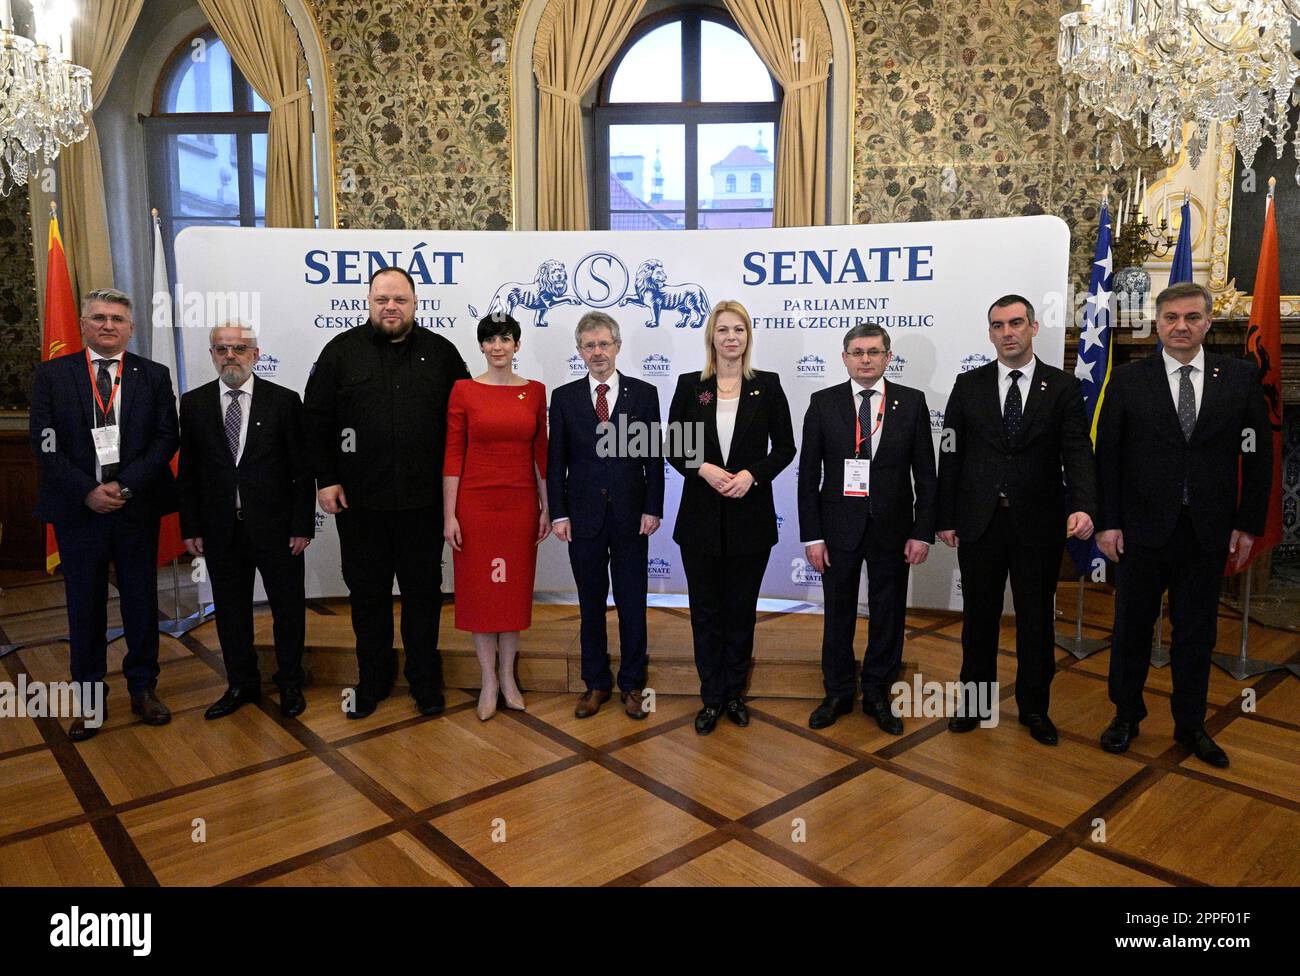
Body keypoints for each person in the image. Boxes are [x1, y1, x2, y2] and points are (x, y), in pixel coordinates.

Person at [1095, 282, 1271, 768]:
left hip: (1208, 532)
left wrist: (1248, 524)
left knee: (1197, 634)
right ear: (1158, 324)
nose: (1181, 326)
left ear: (1207, 323)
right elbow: (1106, 458)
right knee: (1131, 630)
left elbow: (1257, 457)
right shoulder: (1129, 380)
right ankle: (1126, 716)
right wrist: (1108, 523)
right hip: (1141, 532)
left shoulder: (1238, 378)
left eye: (1192, 317)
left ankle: (1190, 723)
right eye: (1171, 317)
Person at [304, 266, 470, 719]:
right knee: (367, 595)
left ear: (416, 303)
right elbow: (316, 422)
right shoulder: (340, 353)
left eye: (399, 299)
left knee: (423, 594)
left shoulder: (443, 354)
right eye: (382, 300)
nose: (390, 307)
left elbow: (463, 427)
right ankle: (372, 680)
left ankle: (424, 681)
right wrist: (327, 479)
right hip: (360, 505)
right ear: (369, 302)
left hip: (424, 504)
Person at [936, 294, 1096, 745]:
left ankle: (1034, 709)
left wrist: (1083, 504)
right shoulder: (969, 385)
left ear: (1032, 328)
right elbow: (951, 453)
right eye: (999, 325)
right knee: (979, 619)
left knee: (1035, 621)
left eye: (1016, 323)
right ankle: (976, 704)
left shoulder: (1061, 387)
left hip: (1039, 526)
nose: (1007, 332)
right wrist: (946, 516)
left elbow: (1077, 452)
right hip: (980, 524)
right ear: (990, 333)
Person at [29, 288, 178, 741]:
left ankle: (143, 688)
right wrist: (89, 491)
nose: (108, 325)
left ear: (130, 328)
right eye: (99, 318)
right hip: (80, 511)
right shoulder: (53, 374)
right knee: (85, 607)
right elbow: (45, 442)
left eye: (117, 318)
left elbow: (165, 438)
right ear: (83, 324)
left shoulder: (153, 375)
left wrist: (124, 485)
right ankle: (90, 702)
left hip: (135, 508)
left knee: (140, 602)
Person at [799, 324, 937, 734]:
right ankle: (838, 692)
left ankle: (878, 693)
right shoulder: (822, 403)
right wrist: (812, 535)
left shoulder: (911, 403)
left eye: (873, 352)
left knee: (889, 613)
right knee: (838, 613)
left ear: (887, 357)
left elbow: (926, 476)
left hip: (893, 530)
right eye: (856, 352)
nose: (865, 359)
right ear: (844, 358)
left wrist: (922, 531)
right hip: (837, 529)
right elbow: (808, 475)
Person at [667, 300, 795, 735]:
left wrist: (752, 475)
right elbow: (674, 447)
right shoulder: (690, 386)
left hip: (750, 519)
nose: (731, 338)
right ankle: (711, 698)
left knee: (741, 612)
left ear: (748, 336)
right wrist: (701, 467)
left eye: (739, 329)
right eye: (723, 330)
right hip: (700, 520)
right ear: (711, 337)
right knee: (704, 613)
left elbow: (784, 448)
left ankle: (736, 694)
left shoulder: (768, 386)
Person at [179, 323, 315, 720]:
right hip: (221, 530)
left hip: (277, 529)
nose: (230, 356)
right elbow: (188, 471)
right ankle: (241, 683)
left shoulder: (284, 401)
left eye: (239, 348)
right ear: (212, 355)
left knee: (287, 609)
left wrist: (302, 524)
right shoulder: (195, 403)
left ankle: (290, 682)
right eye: (222, 349)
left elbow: (302, 471)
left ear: (256, 355)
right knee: (231, 611)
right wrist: (191, 526)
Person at [548, 311, 664, 720]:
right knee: (591, 603)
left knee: (633, 602)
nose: (597, 352)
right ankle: (595, 683)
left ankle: (633, 684)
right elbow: (555, 461)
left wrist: (654, 507)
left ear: (617, 346)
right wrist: (559, 514)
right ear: (579, 351)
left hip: (633, 517)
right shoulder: (563, 398)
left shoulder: (644, 393)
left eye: (604, 344)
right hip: (583, 519)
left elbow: (653, 457)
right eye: (589, 345)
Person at [444, 314, 551, 721]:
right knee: (481, 595)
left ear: (517, 345)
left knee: (511, 594)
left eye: (506, 338)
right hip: (474, 506)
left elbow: (541, 454)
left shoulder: (536, 392)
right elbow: (453, 453)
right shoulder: (464, 390)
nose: (498, 346)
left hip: (520, 506)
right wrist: (449, 514)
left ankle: (509, 677)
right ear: (482, 347)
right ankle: (487, 680)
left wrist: (546, 507)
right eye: (490, 340)